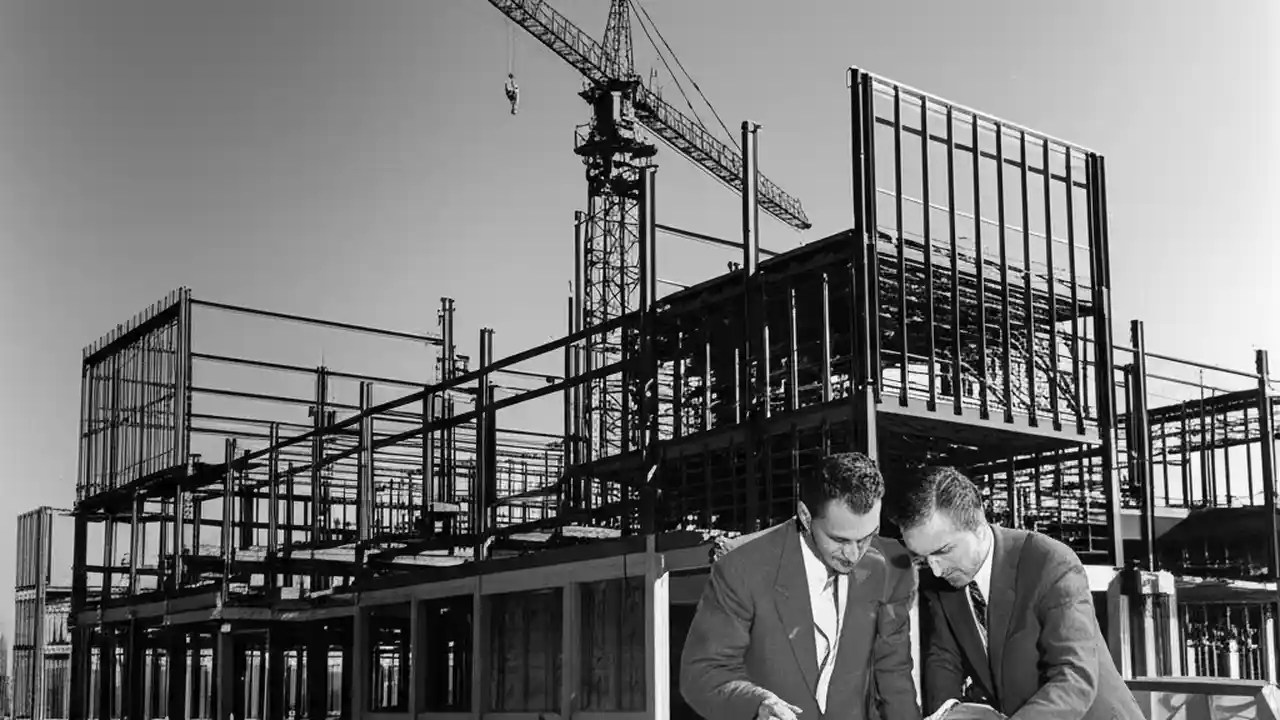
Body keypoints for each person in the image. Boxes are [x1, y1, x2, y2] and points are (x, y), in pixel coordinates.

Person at [680, 452, 921, 720]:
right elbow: (703, 673)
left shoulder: (890, 566)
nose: (854, 555)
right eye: (839, 540)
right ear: (805, 516)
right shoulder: (742, 569)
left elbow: (894, 674)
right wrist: (757, 704)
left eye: (866, 537)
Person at [889, 466, 1143, 720]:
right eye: (923, 558)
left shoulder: (1049, 562)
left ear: (977, 524)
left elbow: (1074, 675)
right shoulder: (945, 583)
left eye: (943, 551)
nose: (935, 569)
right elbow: (943, 662)